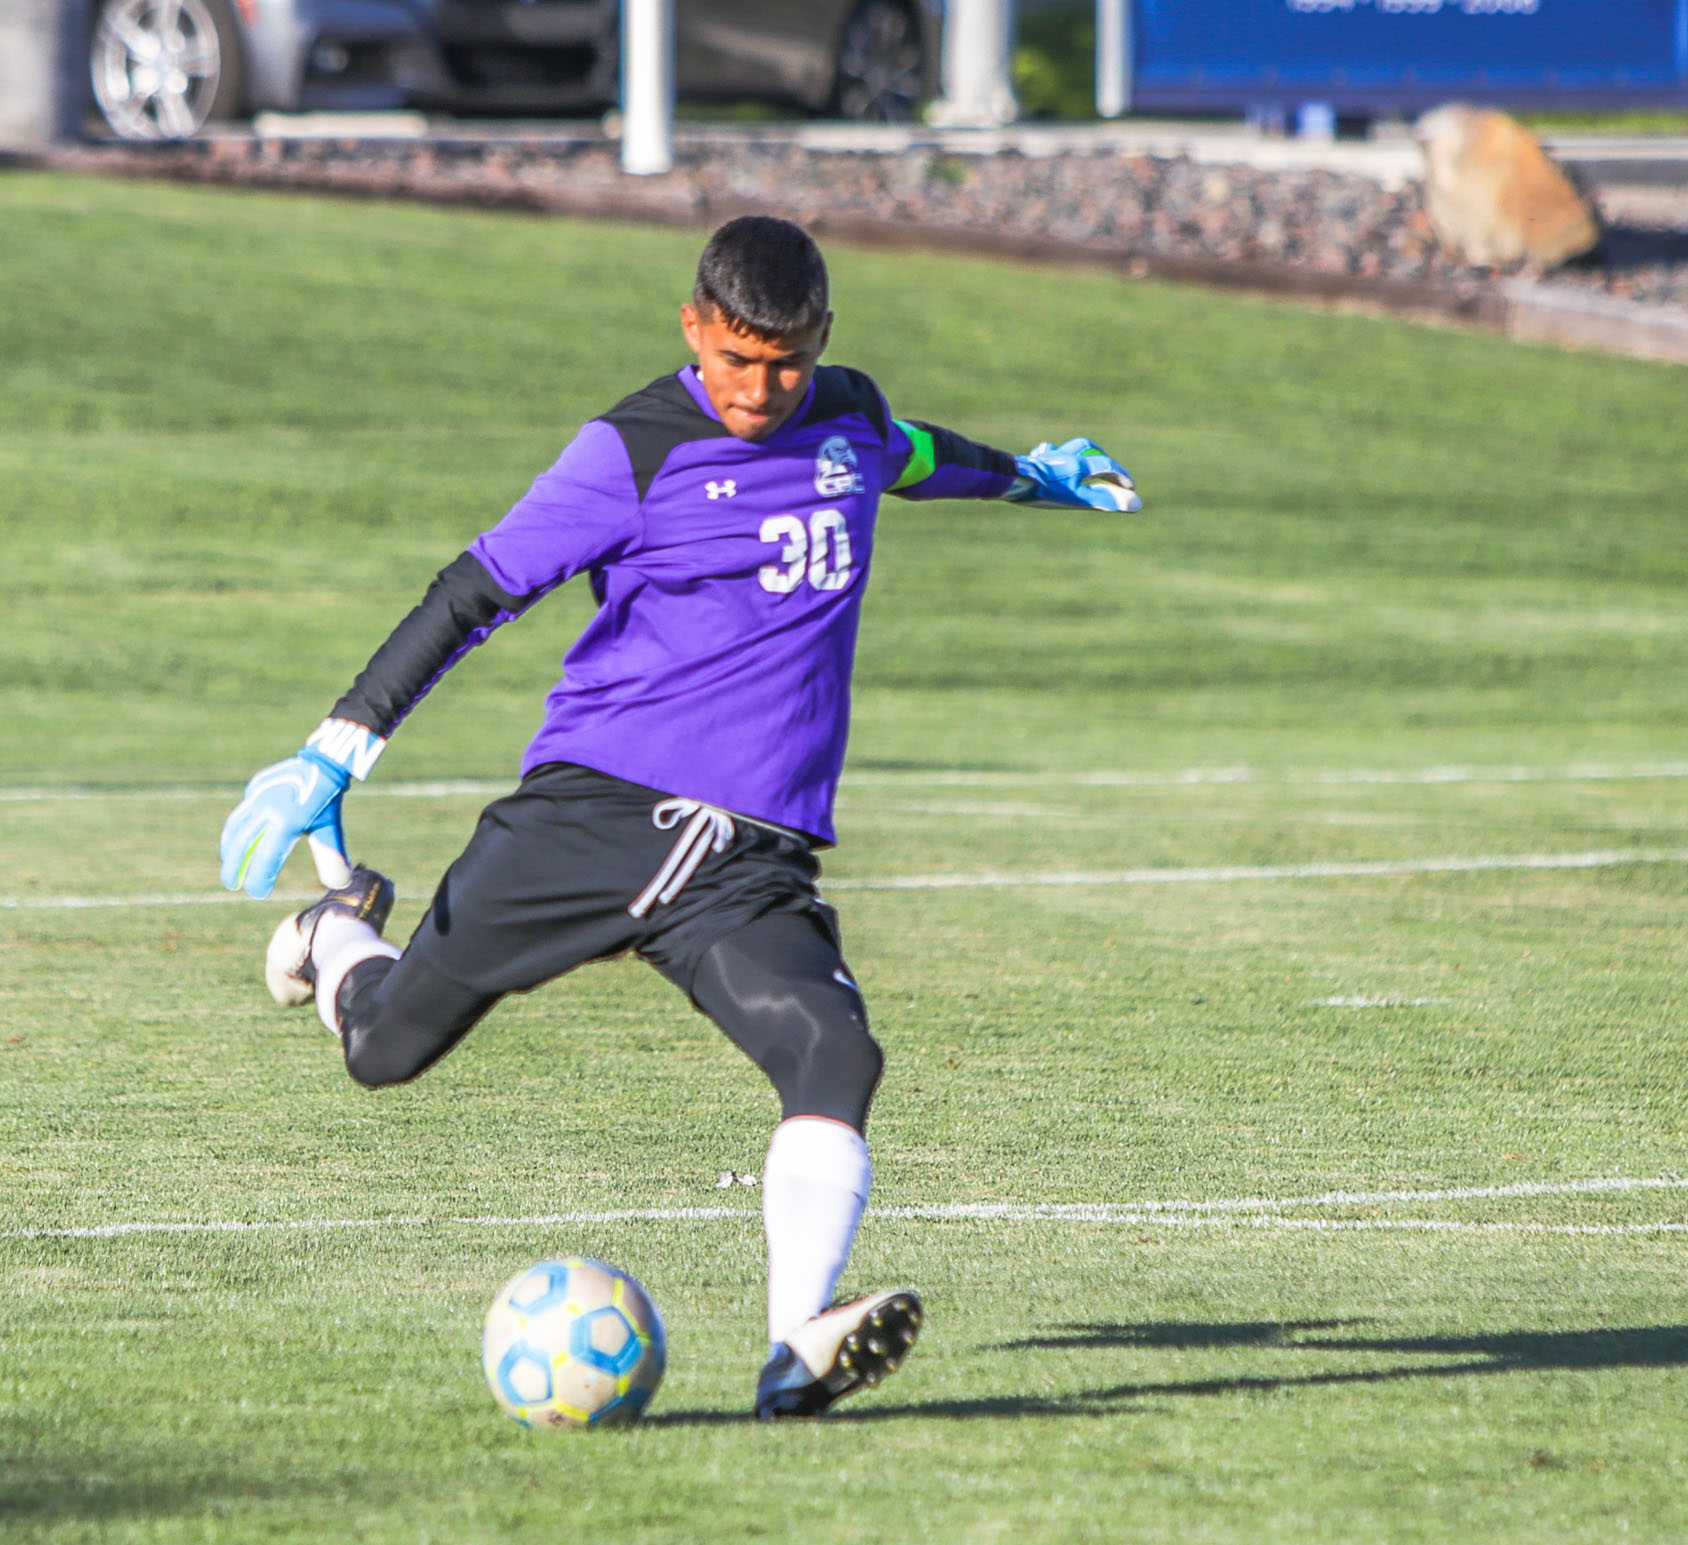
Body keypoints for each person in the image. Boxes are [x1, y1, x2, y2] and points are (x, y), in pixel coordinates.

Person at [219, 215, 1140, 1419]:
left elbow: (912, 454)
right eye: (737, 359)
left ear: (819, 345)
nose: (760, 389)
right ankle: (335, 933)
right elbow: (473, 592)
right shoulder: (631, 450)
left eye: (788, 364)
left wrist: (1029, 476)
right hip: (592, 817)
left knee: (833, 1055)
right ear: (694, 327)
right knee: (383, 1049)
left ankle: (792, 1345)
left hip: (745, 860)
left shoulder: (846, 416)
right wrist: (335, 748)